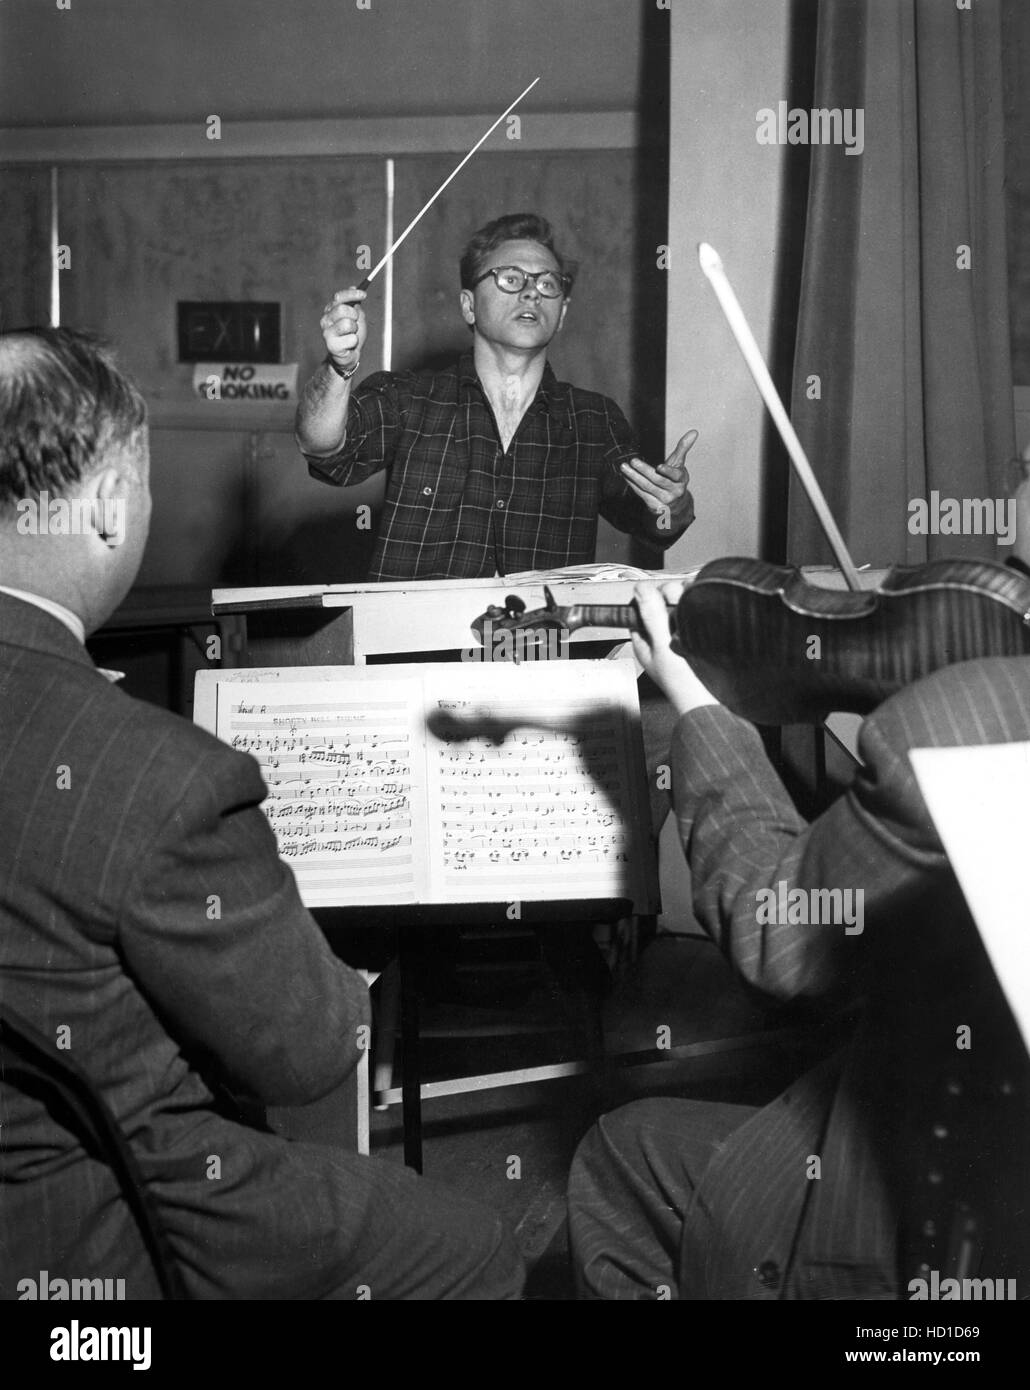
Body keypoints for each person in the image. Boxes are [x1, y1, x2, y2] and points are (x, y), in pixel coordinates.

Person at [0, 326, 524, 1301]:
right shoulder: (162, 779)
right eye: (145, 482)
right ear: (112, 507)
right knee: (475, 1244)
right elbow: (307, 1054)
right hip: (99, 1220)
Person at [567, 582, 1030, 1300]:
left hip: (942, 1233)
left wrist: (698, 703)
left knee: (620, 1153)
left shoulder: (973, 719)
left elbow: (775, 935)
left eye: (1027, 463)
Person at [295, 211, 697, 581]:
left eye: (547, 283)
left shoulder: (594, 419)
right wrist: (339, 366)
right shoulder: (406, 398)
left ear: (563, 314)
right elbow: (322, 445)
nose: (531, 294)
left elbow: (654, 523)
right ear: (468, 306)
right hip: (415, 653)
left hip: (543, 651)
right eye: (510, 278)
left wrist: (672, 505)